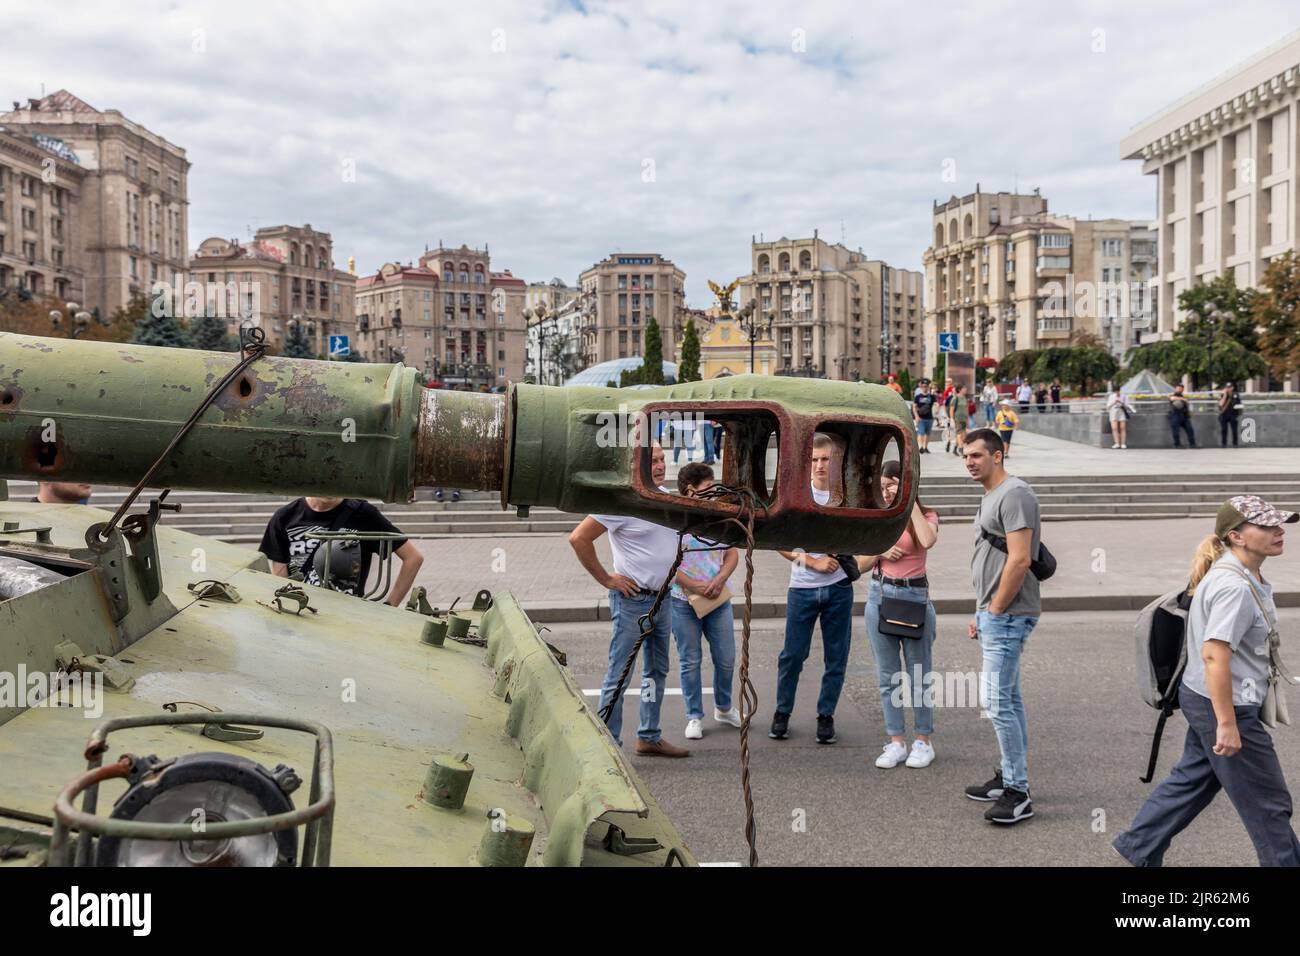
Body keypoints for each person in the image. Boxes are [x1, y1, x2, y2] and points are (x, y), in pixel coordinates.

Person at [1113, 496, 1300, 867]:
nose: (1279, 530)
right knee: (1268, 802)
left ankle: (1139, 847)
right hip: (1225, 705)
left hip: (1205, 698)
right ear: (1237, 536)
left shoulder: (1244, 574)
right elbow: (1214, 655)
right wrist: (1228, 724)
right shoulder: (1234, 586)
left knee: (1193, 781)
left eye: (1279, 523)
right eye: (1265, 526)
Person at [568, 443, 688, 756]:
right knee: (620, 673)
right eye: (654, 461)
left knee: (656, 671)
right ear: (637, 466)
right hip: (633, 600)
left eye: (663, 460)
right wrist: (607, 578)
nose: (661, 466)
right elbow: (578, 538)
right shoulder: (622, 501)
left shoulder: (668, 497)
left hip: (664, 600)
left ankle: (648, 735)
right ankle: (608, 747)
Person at [961, 429, 1042, 825]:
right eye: (965, 456)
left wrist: (993, 610)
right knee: (1008, 700)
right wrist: (981, 611)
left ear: (999, 454)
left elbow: (1020, 559)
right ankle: (1010, 776)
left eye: (977, 455)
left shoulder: (1015, 494)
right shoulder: (991, 495)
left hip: (1008, 615)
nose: (970, 462)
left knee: (996, 703)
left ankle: (1018, 791)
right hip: (994, 613)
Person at [770, 433, 855, 745]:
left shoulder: (845, 495)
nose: (820, 465)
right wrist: (810, 562)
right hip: (803, 587)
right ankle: (782, 712)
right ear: (807, 464)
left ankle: (826, 715)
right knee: (792, 655)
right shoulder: (797, 496)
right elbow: (778, 541)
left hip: (838, 589)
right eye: (815, 460)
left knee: (836, 656)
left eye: (826, 460)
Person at [861, 461, 939, 769]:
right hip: (879, 595)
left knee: (919, 676)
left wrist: (908, 502)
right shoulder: (878, 518)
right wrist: (881, 549)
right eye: (882, 486)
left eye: (892, 484)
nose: (886, 490)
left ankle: (923, 740)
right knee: (887, 676)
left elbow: (928, 539)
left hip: (914, 597)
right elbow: (860, 563)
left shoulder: (926, 514)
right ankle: (896, 741)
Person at [670, 463, 741, 739]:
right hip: (682, 600)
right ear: (691, 491)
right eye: (709, 489)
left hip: (717, 597)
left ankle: (723, 707)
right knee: (690, 660)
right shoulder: (674, 521)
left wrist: (720, 578)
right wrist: (693, 584)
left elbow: (732, 553)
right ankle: (694, 716)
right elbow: (665, 561)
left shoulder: (718, 518)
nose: (715, 494)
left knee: (726, 658)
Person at [260, 496, 424, 606]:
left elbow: (413, 558)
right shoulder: (285, 517)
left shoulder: (362, 513)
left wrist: (390, 606)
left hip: (349, 614)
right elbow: (279, 577)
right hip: (303, 612)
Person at [1168, 384, 1197, 448]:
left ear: (1183, 389)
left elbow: (1187, 405)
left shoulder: (1184, 396)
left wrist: (1189, 412)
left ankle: (1192, 444)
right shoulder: (1172, 395)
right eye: (1178, 388)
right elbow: (1171, 398)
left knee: (1190, 430)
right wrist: (1183, 399)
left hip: (1184, 416)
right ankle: (1177, 445)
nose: (1179, 389)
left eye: (1181, 388)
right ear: (1175, 389)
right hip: (1175, 415)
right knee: (1176, 431)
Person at [913, 380, 936, 454]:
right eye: (922, 386)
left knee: (927, 433)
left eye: (925, 386)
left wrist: (937, 409)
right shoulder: (917, 397)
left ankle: (926, 447)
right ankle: (920, 447)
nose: (924, 388)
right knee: (921, 433)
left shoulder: (931, 397)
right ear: (921, 387)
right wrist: (916, 416)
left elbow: (936, 404)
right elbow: (914, 407)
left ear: (927, 387)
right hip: (921, 418)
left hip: (929, 418)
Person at [1219, 383, 1244, 448]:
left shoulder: (1236, 395)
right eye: (1227, 387)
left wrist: (1238, 411)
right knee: (1224, 430)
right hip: (1224, 415)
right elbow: (1221, 404)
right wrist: (1224, 395)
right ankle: (1224, 444)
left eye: (1230, 387)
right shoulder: (1222, 395)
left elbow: (1240, 404)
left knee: (1234, 431)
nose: (1228, 388)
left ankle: (1235, 444)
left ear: (1232, 388)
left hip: (1233, 415)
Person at [951, 384, 970, 456]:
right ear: (959, 390)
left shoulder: (965, 398)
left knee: (963, 434)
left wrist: (967, 419)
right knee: (959, 434)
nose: (965, 390)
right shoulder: (955, 398)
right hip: (957, 419)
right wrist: (952, 419)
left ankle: (955, 448)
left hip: (964, 419)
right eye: (964, 388)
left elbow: (966, 409)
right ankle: (961, 449)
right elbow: (951, 410)